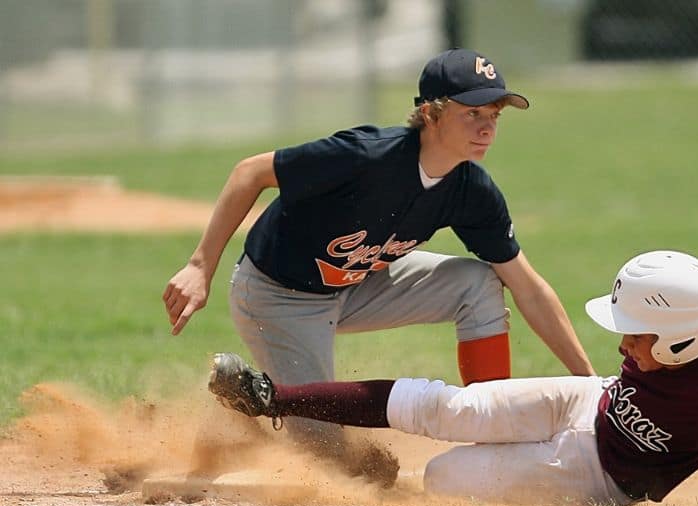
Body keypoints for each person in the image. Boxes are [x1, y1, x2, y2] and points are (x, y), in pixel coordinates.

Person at [162, 48, 595, 481]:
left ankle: (491, 431)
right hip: (280, 296)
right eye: (473, 112)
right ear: (431, 113)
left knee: (478, 281)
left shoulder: (470, 190)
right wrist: (200, 266)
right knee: (333, 460)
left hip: (358, 284)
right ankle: (247, 410)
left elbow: (528, 287)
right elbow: (249, 173)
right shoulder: (366, 156)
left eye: (495, 115)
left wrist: (591, 386)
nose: (486, 127)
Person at [207, 250, 698, 506]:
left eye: (637, 334)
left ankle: (387, 472)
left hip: (602, 477)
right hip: (589, 400)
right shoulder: (662, 351)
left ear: (681, 339)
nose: (623, 342)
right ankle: (269, 397)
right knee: (447, 407)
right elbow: (625, 366)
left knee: (446, 477)